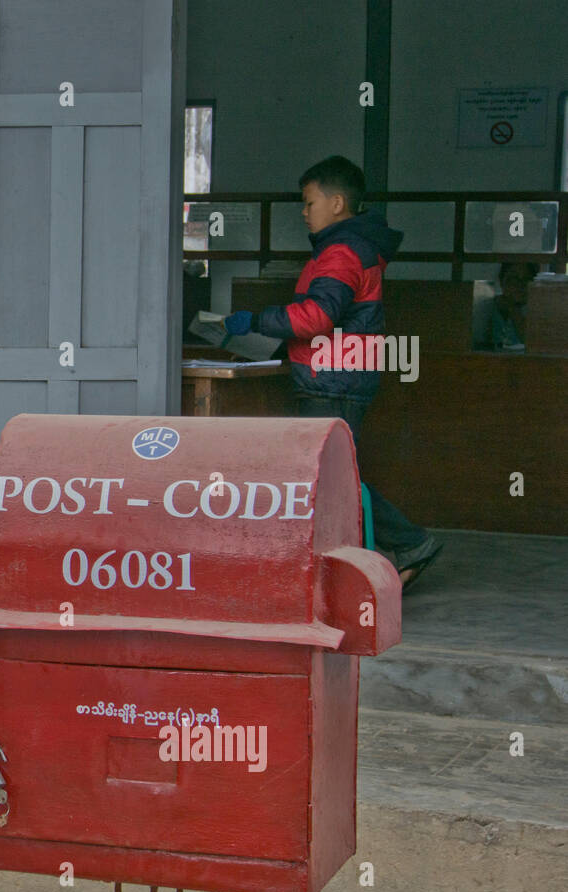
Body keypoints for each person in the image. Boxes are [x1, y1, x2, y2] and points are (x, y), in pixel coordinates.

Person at [222, 155, 442, 592]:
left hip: (334, 378)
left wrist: (258, 321)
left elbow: (317, 316)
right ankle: (370, 558)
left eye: (309, 203)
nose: (304, 212)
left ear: (337, 202)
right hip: (341, 375)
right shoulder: (353, 246)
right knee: (335, 479)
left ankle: (406, 545)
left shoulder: (342, 251)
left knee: (332, 481)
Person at [489, 261, 537, 349]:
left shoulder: (538, 310)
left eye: (526, 278)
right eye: (514, 278)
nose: (520, 284)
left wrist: (513, 310)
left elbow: (533, 344)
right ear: (502, 281)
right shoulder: (488, 307)